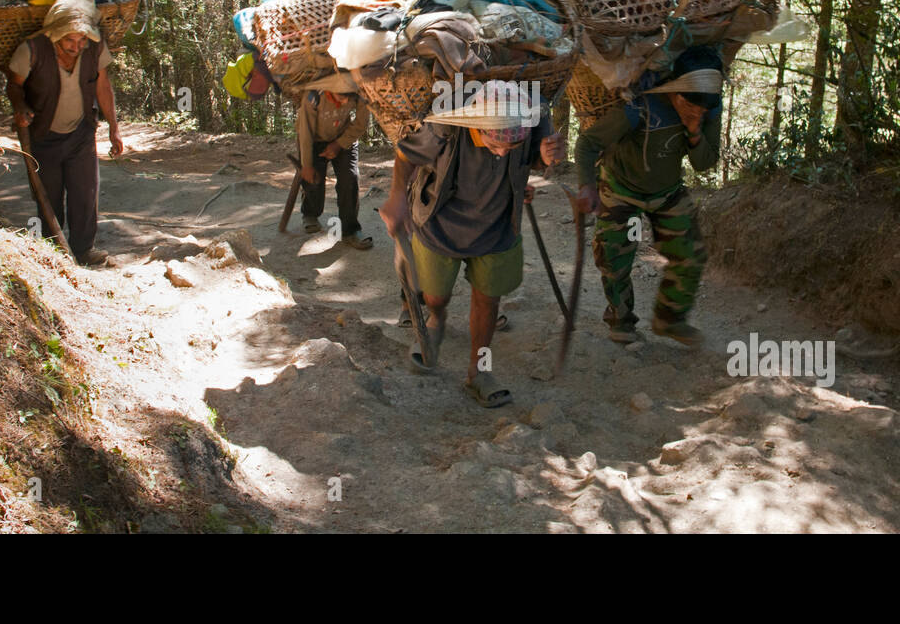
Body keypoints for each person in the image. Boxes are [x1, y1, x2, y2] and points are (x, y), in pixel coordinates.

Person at [379, 80, 564, 407]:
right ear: (477, 125)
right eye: (495, 143)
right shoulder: (446, 125)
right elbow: (406, 154)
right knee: (436, 295)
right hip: (441, 224)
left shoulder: (525, 118)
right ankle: (436, 319)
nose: (504, 151)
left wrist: (544, 156)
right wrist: (397, 198)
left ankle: (480, 371)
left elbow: (533, 157)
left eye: (512, 145)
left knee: (488, 299)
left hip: (498, 226)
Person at [573, 46, 723, 347]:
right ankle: (621, 320)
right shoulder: (639, 109)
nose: (697, 114)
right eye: (691, 108)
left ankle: (670, 319)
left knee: (690, 254)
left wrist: (695, 131)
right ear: (677, 94)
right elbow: (587, 143)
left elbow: (704, 163)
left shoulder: (706, 108)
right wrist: (587, 186)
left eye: (703, 112)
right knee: (614, 259)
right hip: (621, 192)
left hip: (666, 194)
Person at [5, 0, 123, 266]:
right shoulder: (32, 50)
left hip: (81, 132)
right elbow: (14, 84)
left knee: (85, 192)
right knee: (49, 194)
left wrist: (114, 128)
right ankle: (55, 253)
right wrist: (20, 107)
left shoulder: (94, 48)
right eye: (70, 39)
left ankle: (83, 250)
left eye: (82, 39)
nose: (77, 45)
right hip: (43, 135)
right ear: (55, 34)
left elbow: (102, 86)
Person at [297, 88, 373, 249]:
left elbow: (361, 123)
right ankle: (310, 213)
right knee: (313, 178)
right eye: (340, 96)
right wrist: (307, 164)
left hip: (344, 137)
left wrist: (339, 144)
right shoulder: (313, 96)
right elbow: (305, 133)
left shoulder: (360, 92)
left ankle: (350, 230)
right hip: (314, 139)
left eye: (348, 97)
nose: (345, 102)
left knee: (350, 178)